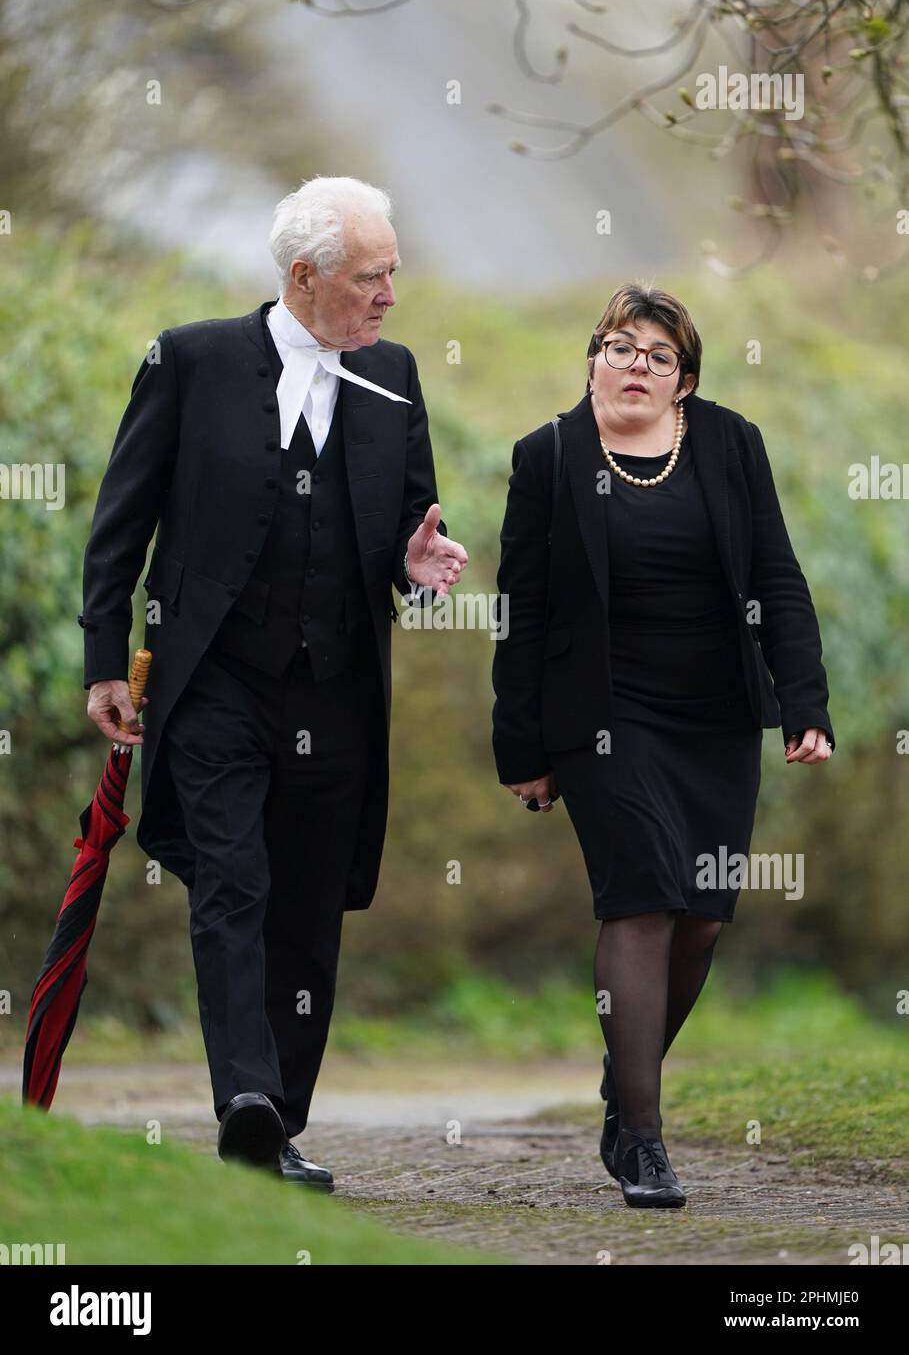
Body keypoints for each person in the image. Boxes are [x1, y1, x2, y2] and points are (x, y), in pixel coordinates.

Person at [81, 176, 468, 1186]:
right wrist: (101, 664)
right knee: (232, 882)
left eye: (395, 272)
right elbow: (119, 526)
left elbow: (410, 532)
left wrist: (416, 570)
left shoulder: (396, 374)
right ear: (304, 277)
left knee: (306, 903)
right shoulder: (192, 359)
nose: (391, 294)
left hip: (337, 689)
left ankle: (276, 1122)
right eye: (373, 276)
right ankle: (243, 1095)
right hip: (215, 683)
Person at [491, 282, 834, 1209]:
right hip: (604, 718)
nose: (634, 367)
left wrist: (803, 701)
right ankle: (642, 1141)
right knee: (641, 896)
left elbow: (777, 574)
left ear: (684, 380)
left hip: (715, 714)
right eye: (618, 347)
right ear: (591, 357)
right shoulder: (548, 455)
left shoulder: (728, 444)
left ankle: (622, 1080)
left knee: (703, 918)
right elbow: (516, 614)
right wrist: (520, 743)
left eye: (658, 356)